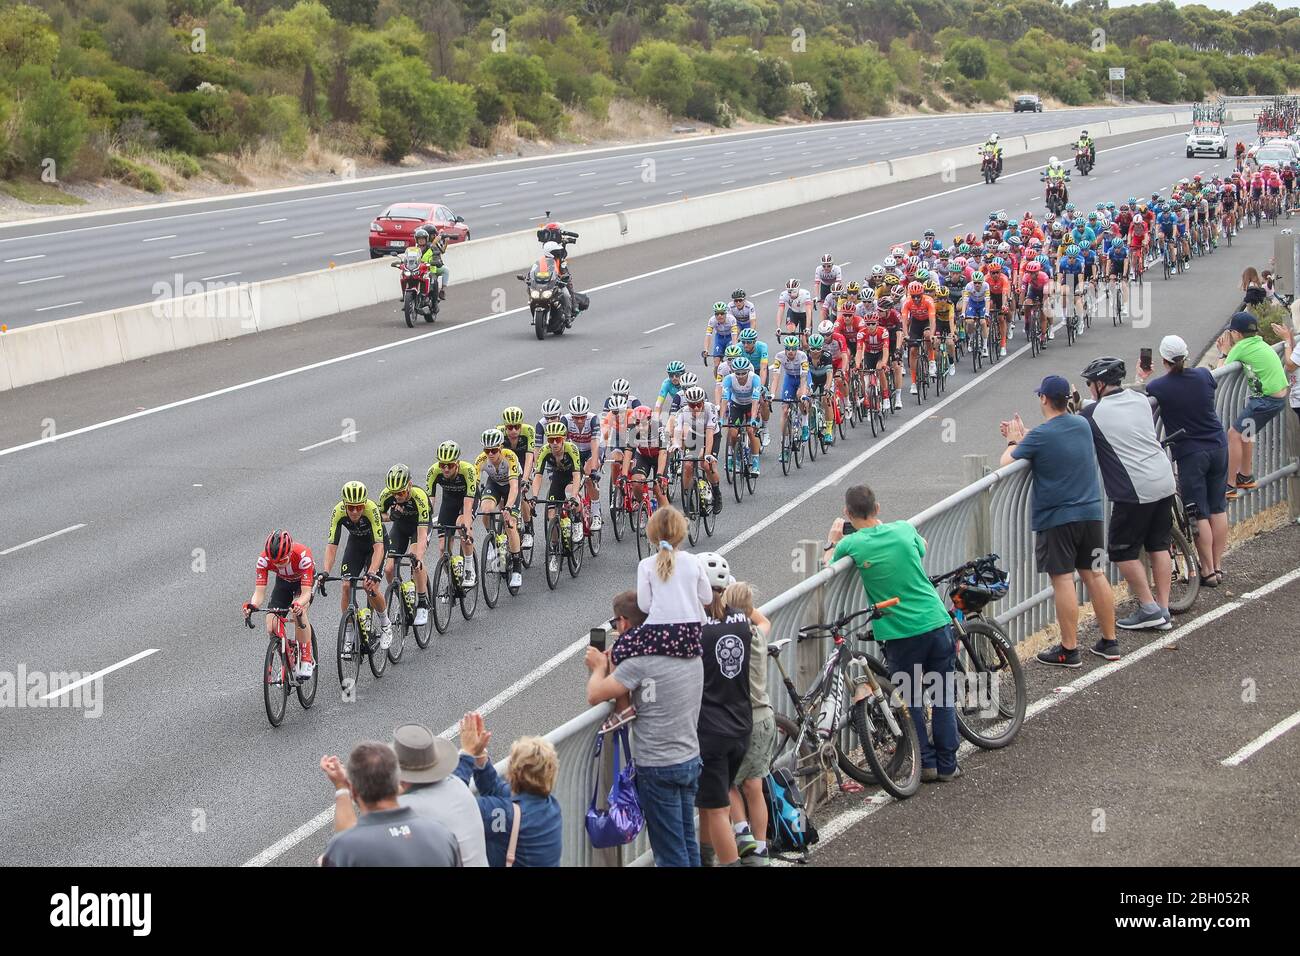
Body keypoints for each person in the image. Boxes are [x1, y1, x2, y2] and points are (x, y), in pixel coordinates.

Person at [824, 485, 960, 782]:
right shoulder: (902, 529)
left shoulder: (853, 544)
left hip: (901, 634)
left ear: (848, 514)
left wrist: (831, 541)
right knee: (942, 697)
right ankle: (948, 765)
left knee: (909, 701)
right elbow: (921, 545)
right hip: (936, 621)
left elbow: (827, 568)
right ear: (879, 508)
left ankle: (926, 764)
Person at [1000, 376, 1117, 666]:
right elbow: (1055, 438)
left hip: (1057, 517)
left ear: (1043, 399)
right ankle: (1110, 641)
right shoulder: (1081, 424)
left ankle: (1069, 648)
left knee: (1063, 579)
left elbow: (1006, 461)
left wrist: (1015, 439)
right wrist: (1029, 433)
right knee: (1095, 574)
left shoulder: (1041, 436)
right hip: (1090, 512)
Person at [585, 588, 704, 867]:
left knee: (669, 853)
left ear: (624, 623)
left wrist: (600, 666)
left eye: (616, 624)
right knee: (687, 843)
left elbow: (595, 694)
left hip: (658, 765)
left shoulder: (639, 662)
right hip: (689, 757)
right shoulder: (688, 651)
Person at [1078, 356, 1178, 635]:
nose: (1088, 388)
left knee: (1122, 551)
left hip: (1135, 488)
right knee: (1159, 545)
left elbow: (1076, 422)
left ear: (1099, 384)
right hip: (1164, 478)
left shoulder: (1093, 415)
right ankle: (1164, 609)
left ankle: (1148, 608)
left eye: (1089, 383)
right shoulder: (1141, 399)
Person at [324, 724, 488, 866]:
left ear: (400, 783)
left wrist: (342, 788)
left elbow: (349, 840)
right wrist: (468, 753)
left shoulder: (409, 806)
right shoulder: (455, 786)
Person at [1140, 335, 1229, 587]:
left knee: (1198, 511)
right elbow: (1210, 381)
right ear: (1186, 356)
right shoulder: (1202, 375)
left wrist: (1144, 377)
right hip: (1218, 444)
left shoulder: (1159, 387)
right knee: (1217, 507)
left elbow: (1145, 395)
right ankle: (1218, 565)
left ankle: (1208, 570)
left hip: (1191, 452)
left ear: (1164, 359)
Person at [692, 553, 752, 868]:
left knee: (716, 810)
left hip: (711, 731)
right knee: (709, 800)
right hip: (742, 724)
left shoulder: (696, 631)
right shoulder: (742, 621)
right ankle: (704, 859)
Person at [454, 712, 563, 867]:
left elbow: (452, 804)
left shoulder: (506, 815)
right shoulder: (551, 806)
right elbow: (495, 789)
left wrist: (466, 754)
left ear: (512, 773)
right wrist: (479, 756)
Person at [723, 580, 774, 866]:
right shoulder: (757, 636)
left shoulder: (724, 642)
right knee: (755, 786)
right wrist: (748, 609)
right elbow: (763, 619)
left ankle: (742, 836)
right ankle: (762, 848)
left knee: (726, 782)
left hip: (738, 720)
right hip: (764, 717)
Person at [1217, 312, 1289, 498]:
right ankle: (1246, 476)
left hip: (1265, 400)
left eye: (1231, 332)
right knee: (1246, 433)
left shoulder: (1240, 347)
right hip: (1277, 397)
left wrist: (1223, 352)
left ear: (1237, 334)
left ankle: (1230, 484)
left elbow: (1219, 372)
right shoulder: (1260, 342)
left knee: (1233, 434)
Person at [320, 481, 395, 650]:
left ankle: (385, 624)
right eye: (351, 507)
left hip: (376, 546)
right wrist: (325, 571)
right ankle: (349, 632)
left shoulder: (371, 509)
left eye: (359, 507)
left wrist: (372, 571)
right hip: (355, 545)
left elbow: (379, 547)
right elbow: (332, 545)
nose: (355, 511)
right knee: (346, 585)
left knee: (370, 586)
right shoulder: (338, 511)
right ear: (345, 505)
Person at [244, 530, 316, 680]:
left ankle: (306, 656)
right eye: (274, 562)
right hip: (283, 584)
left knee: (298, 613)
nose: (277, 564)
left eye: (282, 561)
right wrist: (252, 605)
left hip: (302, 585)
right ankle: (285, 655)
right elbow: (259, 592)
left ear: (289, 552)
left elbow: (306, 593)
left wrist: (298, 603)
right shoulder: (264, 559)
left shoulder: (303, 556)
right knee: (271, 625)